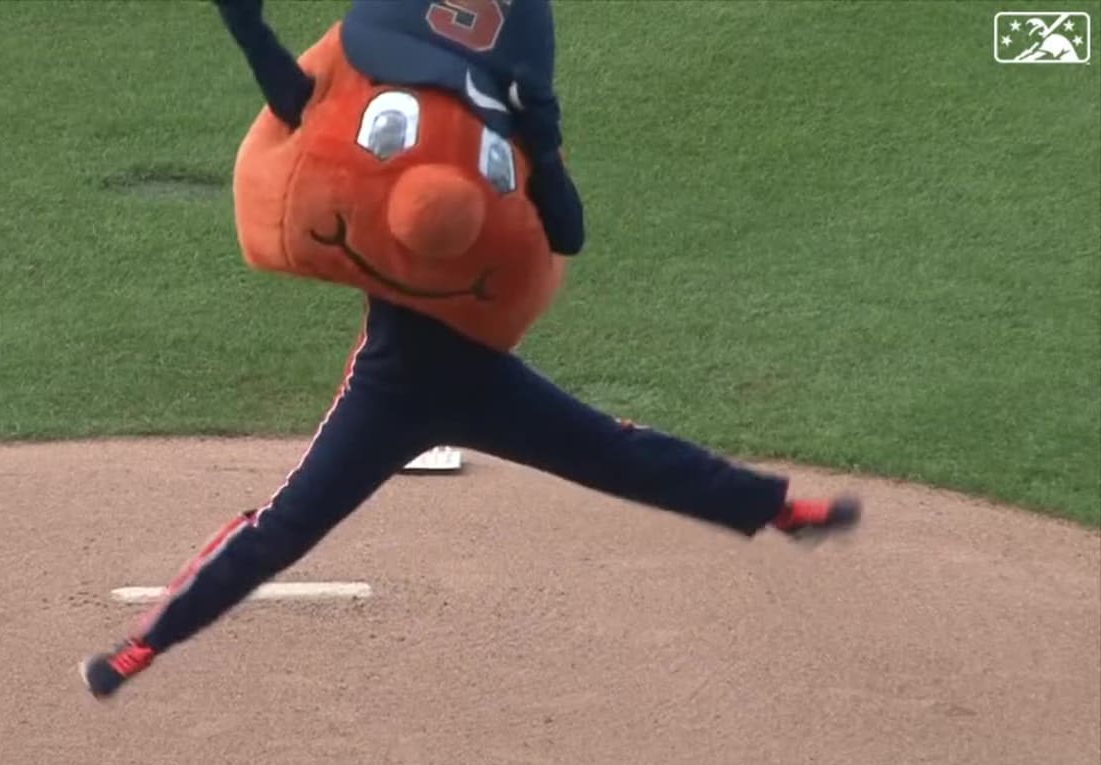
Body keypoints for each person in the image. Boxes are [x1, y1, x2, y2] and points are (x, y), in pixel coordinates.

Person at [81, 0, 860, 700]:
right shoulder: (390, 129)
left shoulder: (503, 143)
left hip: (486, 384)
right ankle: (145, 644)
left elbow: (570, 230)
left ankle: (778, 509)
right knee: (283, 529)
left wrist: (544, 138)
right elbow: (300, 106)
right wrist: (248, 27)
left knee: (624, 456)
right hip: (386, 395)